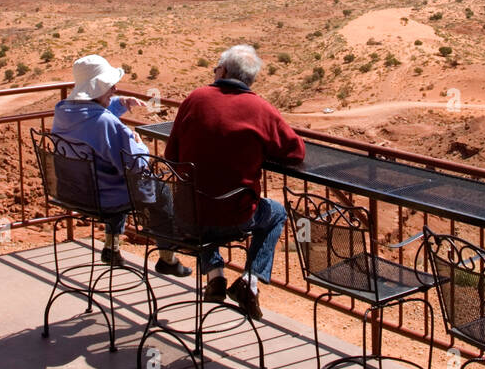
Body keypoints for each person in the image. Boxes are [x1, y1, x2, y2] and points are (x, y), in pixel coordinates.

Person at [165, 44, 305, 319]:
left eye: (216, 67)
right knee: (275, 213)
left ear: (224, 71)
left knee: (202, 199)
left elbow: (171, 155)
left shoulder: (195, 98)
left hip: (187, 217)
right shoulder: (261, 109)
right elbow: (296, 152)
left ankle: (215, 273)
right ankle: (250, 282)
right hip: (235, 219)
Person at [52, 55, 190, 276]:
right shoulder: (105, 123)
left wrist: (118, 104)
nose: (115, 88)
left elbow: (92, 122)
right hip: (104, 197)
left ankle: (111, 246)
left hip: (74, 192)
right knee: (159, 191)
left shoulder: (63, 112)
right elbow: (136, 164)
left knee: (112, 173)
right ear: (96, 87)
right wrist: (138, 142)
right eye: (109, 86)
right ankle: (168, 257)